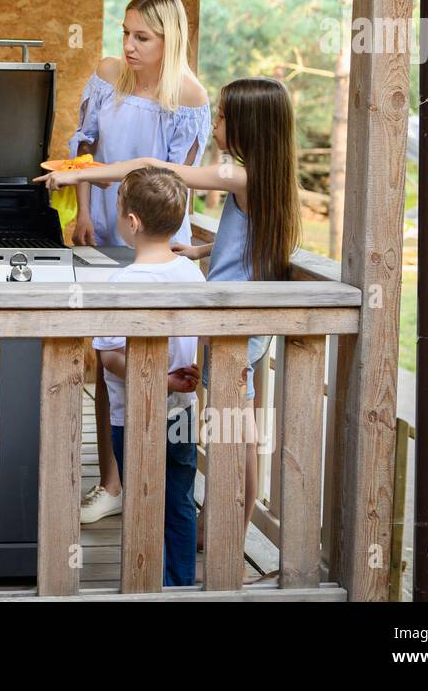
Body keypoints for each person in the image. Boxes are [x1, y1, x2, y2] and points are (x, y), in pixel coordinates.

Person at [39, 76, 302, 550]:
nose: (215, 124)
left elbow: (153, 165)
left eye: (222, 117)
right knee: (231, 427)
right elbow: (255, 245)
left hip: (230, 329)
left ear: (248, 127)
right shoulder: (270, 179)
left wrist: (80, 175)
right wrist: (204, 249)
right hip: (240, 323)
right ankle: (220, 527)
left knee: (233, 433)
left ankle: (226, 533)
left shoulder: (241, 176)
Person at [64, 0, 210, 525]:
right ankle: (111, 481)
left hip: (157, 242)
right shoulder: (107, 75)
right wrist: (83, 211)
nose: (127, 45)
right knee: (109, 362)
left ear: (169, 40)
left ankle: (166, 480)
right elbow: (84, 148)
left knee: (162, 361)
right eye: (124, 32)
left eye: (141, 37)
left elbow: (170, 181)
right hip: (104, 228)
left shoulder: (190, 97)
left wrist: (156, 231)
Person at [84, 166, 206, 586]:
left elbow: (111, 358)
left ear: (131, 223)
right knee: (180, 502)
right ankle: (179, 584)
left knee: (143, 500)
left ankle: (146, 585)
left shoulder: (123, 282)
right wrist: (178, 379)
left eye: (119, 211)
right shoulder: (191, 272)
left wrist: (158, 381)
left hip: (133, 415)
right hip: (183, 414)